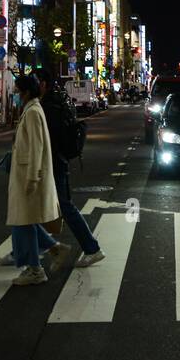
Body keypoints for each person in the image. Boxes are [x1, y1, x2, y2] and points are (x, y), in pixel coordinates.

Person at [34, 70, 104, 268]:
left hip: (53, 162)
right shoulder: (58, 101)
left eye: (36, 81)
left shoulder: (48, 106)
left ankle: (92, 248)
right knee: (37, 207)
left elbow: (49, 138)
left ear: (44, 84)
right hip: (56, 161)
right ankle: (24, 248)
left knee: (62, 206)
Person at [4, 73, 61, 286]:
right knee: (24, 220)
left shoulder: (33, 112)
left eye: (18, 92)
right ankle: (54, 250)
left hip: (28, 177)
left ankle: (35, 269)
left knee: (23, 221)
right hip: (25, 175)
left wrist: (33, 177)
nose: (16, 96)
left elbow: (37, 147)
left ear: (26, 92)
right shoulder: (31, 110)